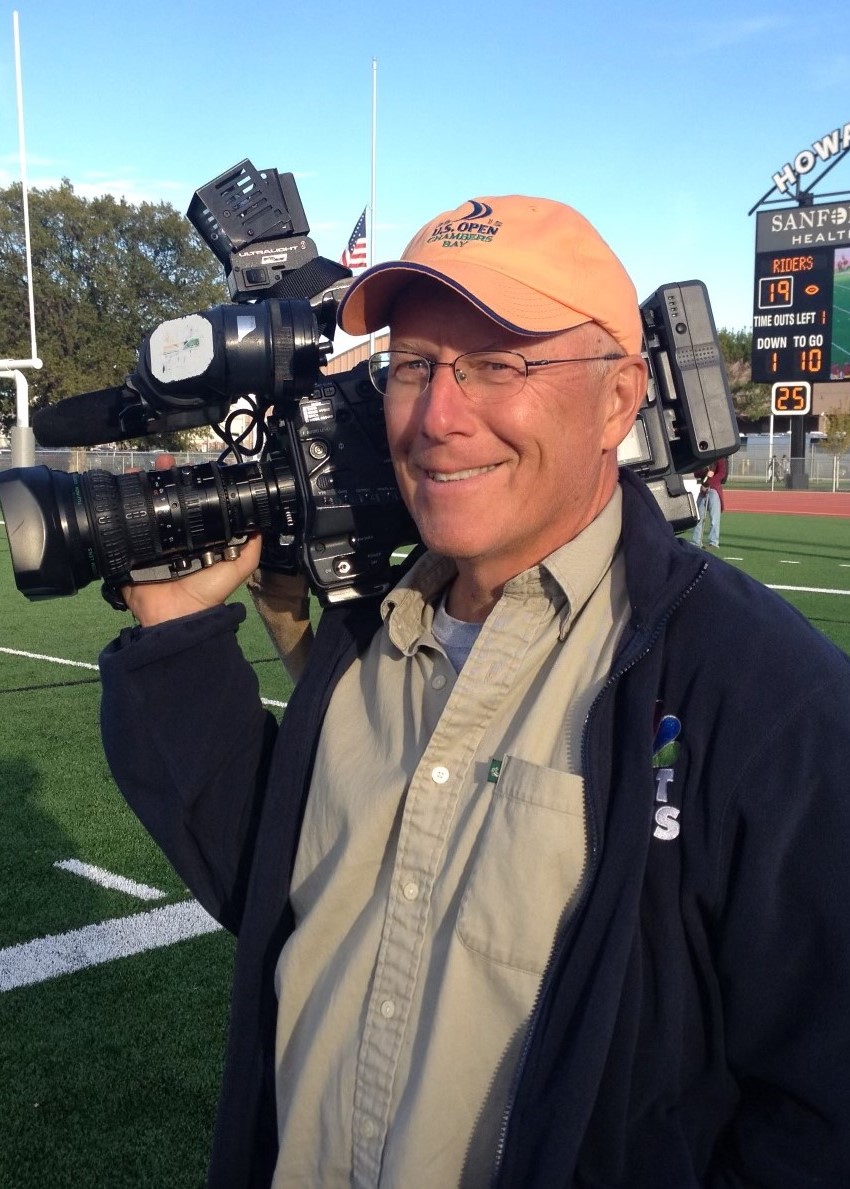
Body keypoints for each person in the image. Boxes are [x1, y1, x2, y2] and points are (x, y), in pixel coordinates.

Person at [98, 195, 850, 1188]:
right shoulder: (363, 640)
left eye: (498, 364)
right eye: (414, 366)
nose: (439, 417)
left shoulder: (769, 696)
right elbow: (283, 893)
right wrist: (174, 640)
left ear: (618, 398)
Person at [690, 456, 727, 549]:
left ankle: (713, 542)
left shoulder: (719, 457)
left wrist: (708, 483)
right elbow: (696, 474)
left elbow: (721, 473)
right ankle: (696, 542)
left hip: (714, 490)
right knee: (699, 517)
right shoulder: (704, 458)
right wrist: (704, 471)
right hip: (703, 491)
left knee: (714, 518)